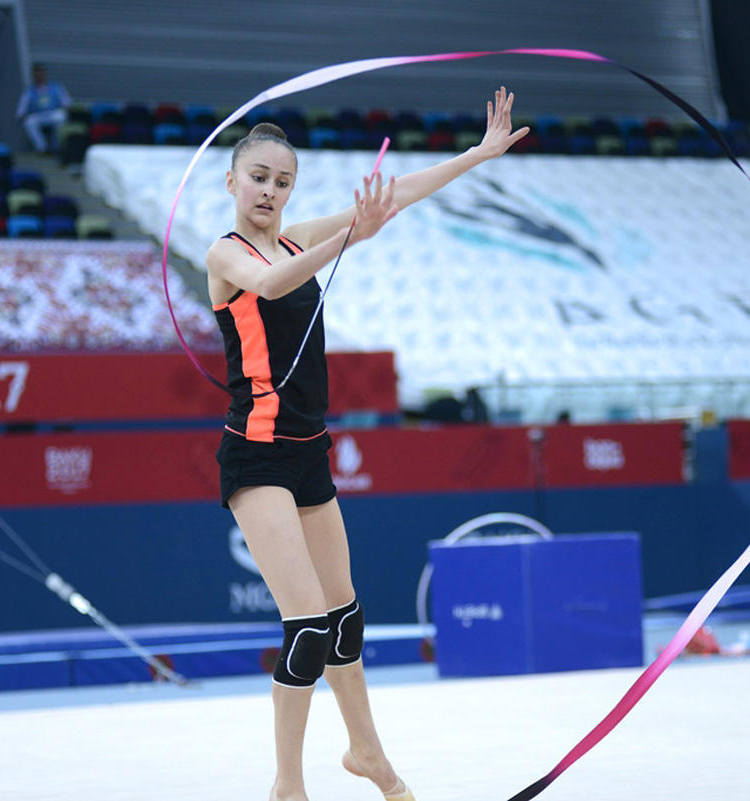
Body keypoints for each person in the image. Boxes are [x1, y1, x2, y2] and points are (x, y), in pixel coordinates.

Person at [206, 88, 528, 801]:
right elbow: (270, 282)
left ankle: (368, 752)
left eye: (283, 181)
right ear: (232, 181)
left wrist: (477, 153)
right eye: (259, 177)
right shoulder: (226, 255)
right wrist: (350, 235)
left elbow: (398, 194)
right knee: (309, 628)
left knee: (346, 617)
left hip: (309, 449)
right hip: (256, 454)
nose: (270, 190)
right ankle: (287, 786)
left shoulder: (297, 237)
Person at [15, 63, 71, 154]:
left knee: (60, 117)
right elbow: (21, 109)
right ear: (33, 76)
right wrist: (21, 116)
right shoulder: (29, 92)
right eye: (36, 75)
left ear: (45, 74)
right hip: (38, 116)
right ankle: (42, 148)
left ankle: (56, 147)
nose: (39, 76)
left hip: (53, 113)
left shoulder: (56, 87)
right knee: (29, 122)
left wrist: (65, 108)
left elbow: (66, 102)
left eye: (41, 74)